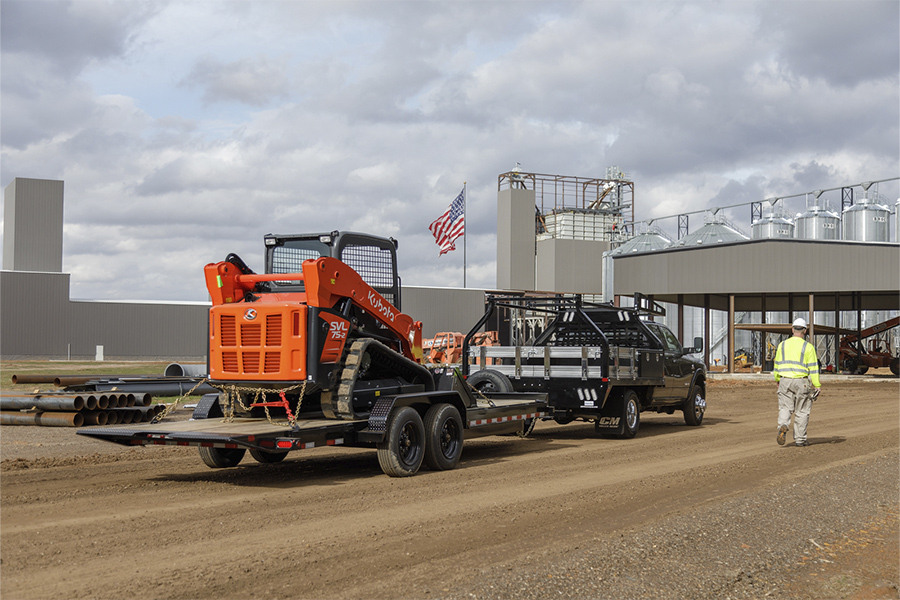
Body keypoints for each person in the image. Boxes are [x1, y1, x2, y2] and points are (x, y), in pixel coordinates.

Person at [773, 317, 822, 447]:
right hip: (802, 382)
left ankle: (783, 424)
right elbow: (813, 368)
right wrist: (817, 385)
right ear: (805, 331)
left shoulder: (782, 345)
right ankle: (800, 440)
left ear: (792, 329)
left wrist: (777, 379)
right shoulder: (808, 347)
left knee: (785, 407)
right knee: (802, 411)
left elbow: (777, 364)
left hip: (785, 380)